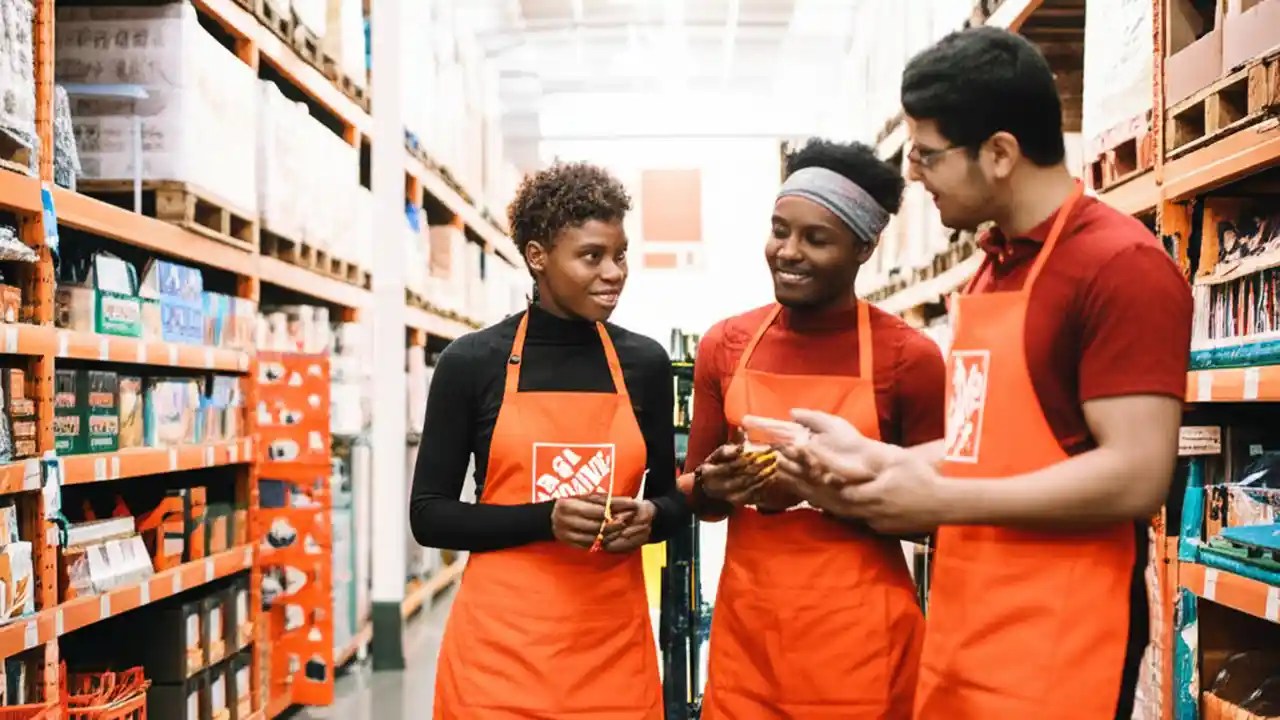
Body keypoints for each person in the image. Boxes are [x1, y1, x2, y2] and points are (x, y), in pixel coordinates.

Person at [777, 27, 1193, 720]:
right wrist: (877, 462)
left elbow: (1136, 473)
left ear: (999, 153)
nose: (914, 174)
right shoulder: (994, 267)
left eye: (927, 154)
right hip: (970, 629)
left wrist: (941, 502)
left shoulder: (1120, 268)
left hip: (1061, 643)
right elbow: (991, 443)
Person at [411, 161, 688, 719]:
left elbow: (671, 498)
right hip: (500, 658)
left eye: (620, 255)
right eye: (592, 256)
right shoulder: (473, 361)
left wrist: (654, 516)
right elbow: (430, 515)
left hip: (612, 652)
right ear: (538, 256)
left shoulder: (644, 363)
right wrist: (546, 520)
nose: (613, 272)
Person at [682, 138, 946, 719]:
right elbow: (696, 495)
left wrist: (821, 489)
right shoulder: (726, 344)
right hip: (750, 641)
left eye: (816, 239)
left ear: (863, 248)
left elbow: (940, 517)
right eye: (780, 231)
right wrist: (713, 485)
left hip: (863, 643)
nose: (788, 252)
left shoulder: (909, 358)